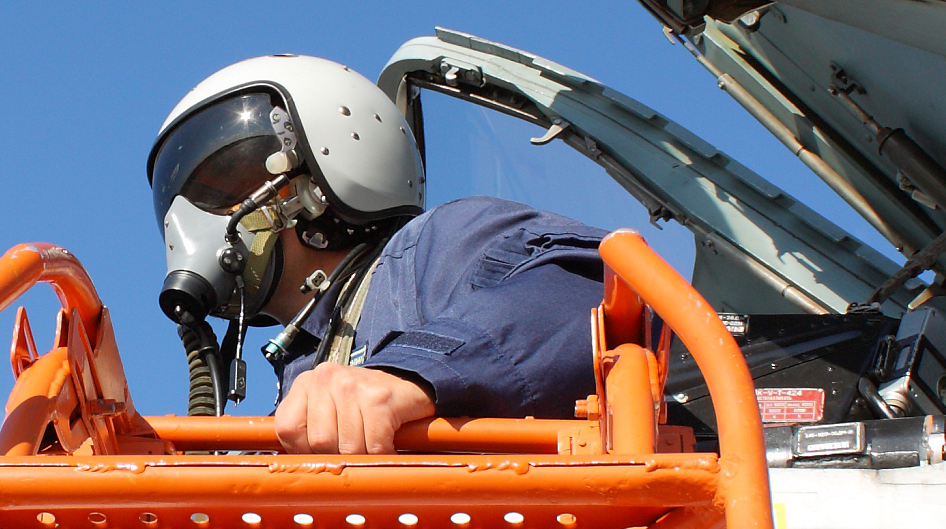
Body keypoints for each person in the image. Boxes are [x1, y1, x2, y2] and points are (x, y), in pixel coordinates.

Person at [148, 55, 610, 454]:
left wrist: (407, 373)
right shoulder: (299, 370)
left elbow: (592, 292)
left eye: (227, 186)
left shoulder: (435, 247)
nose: (189, 226)